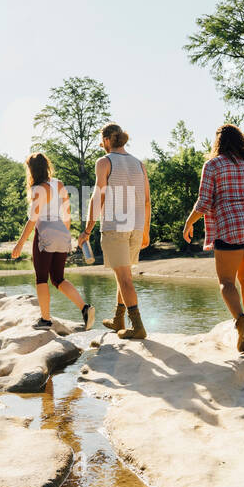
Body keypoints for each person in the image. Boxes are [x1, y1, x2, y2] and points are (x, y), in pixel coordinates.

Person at [182, 124, 244, 352]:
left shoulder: (213, 165)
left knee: (226, 281)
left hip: (230, 225)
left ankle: (241, 323)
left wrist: (188, 222)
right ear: (241, 141)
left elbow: (204, 202)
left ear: (218, 143)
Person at [79, 123, 151, 340]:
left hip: (115, 227)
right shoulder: (139, 163)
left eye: (102, 141)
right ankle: (118, 319)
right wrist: (146, 231)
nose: (102, 145)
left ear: (107, 140)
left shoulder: (104, 162)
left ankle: (137, 326)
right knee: (124, 274)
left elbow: (97, 196)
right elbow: (147, 201)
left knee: (124, 278)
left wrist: (87, 230)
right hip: (136, 227)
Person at [12, 153, 94, 331]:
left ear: (31, 170)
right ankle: (85, 308)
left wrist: (19, 243)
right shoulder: (59, 184)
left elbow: (33, 219)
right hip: (62, 233)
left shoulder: (38, 189)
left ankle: (45, 320)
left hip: (45, 233)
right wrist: (66, 237)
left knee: (42, 278)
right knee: (58, 278)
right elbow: (67, 214)